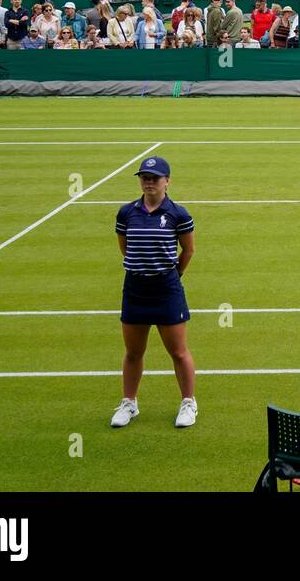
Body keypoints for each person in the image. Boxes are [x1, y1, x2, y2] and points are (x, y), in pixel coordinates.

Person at [110, 156, 197, 430]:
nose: (149, 182)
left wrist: (172, 275)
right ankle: (129, 403)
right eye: (145, 177)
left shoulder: (178, 214)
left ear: (167, 181)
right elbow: (125, 247)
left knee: (178, 351)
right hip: (135, 288)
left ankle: (188, 403)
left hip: (166, 289)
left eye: (155, 178)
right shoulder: (126, 213)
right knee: (133, 351)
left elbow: (189, 250)